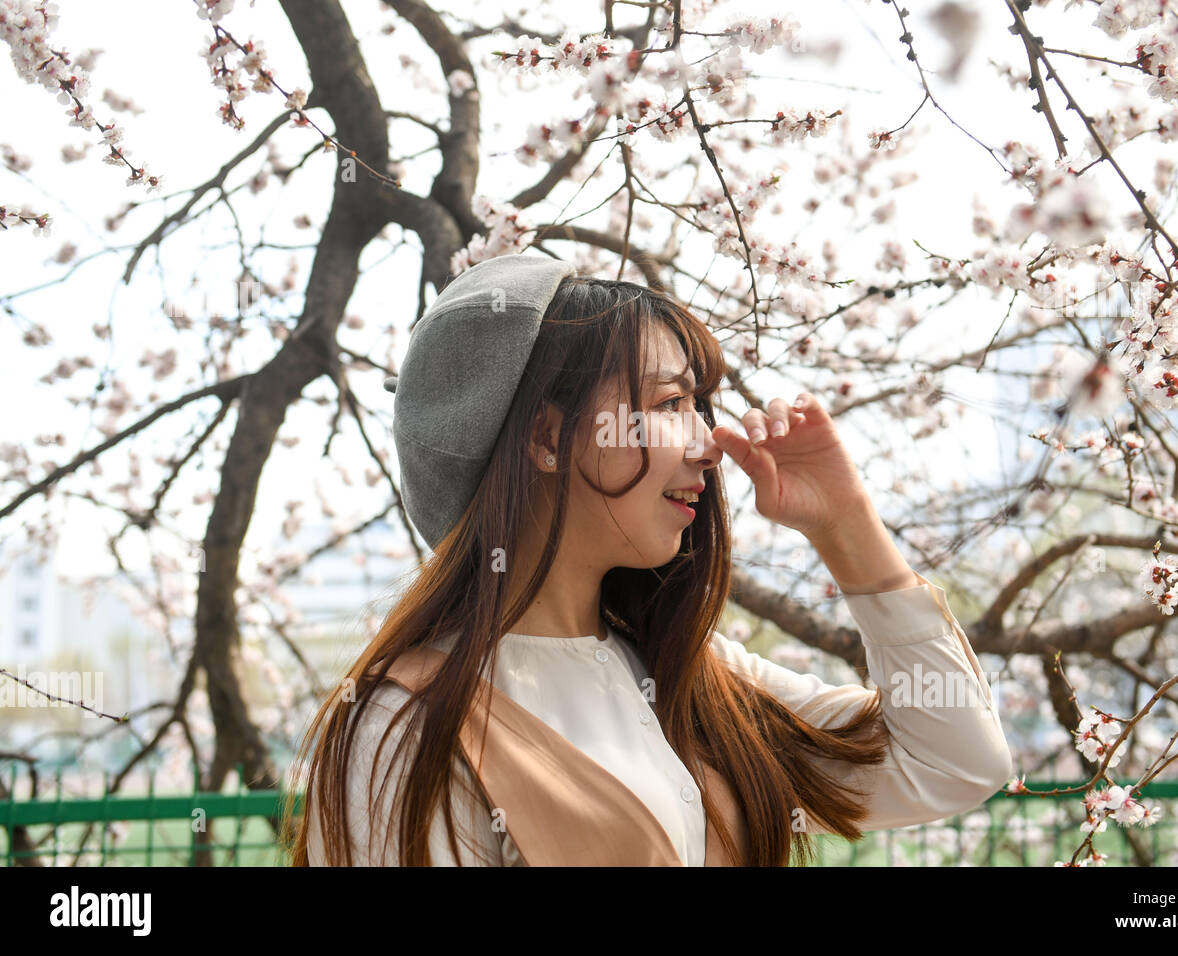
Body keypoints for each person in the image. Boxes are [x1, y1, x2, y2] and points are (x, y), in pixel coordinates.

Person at [283, 253, 1014, 867]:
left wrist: (848, 528)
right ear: (547, 435)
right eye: (670, 405)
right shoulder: (407, 726)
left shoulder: (695, 677)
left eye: (701, 407)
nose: (708, 444)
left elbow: (953, 763)